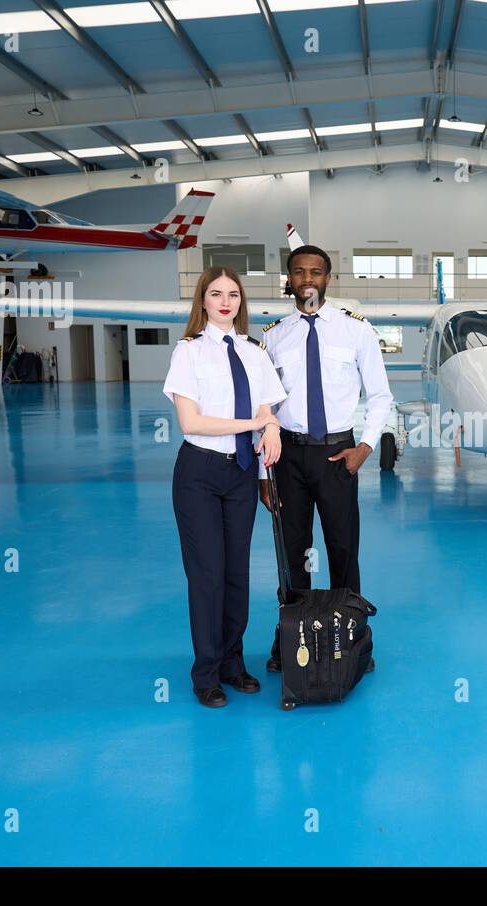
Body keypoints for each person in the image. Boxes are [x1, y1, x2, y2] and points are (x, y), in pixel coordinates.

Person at [258, 244, 392, 673]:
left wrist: (365, 448)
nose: (308, 279)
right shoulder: (274, 336)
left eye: (316, 272)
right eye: (299, 272)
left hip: (339, 454)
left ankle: (352, 641)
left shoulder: (356, 331)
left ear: (328, 279)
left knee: (342, 550)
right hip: (287, 456)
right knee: (292, 553)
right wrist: (266, 468)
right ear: (290, 279)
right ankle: (290, 638)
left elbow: (380, 395)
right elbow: (265, 407)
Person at [163, 266, 285, 708]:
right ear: (203, 301)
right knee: (207, 574)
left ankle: (233, 664)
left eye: (233, 294)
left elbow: (267, 404)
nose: (225, 301)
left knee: (237, 573)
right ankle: (206, 672)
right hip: (199, 471)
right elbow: (190, 421)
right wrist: (257, 423)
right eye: (216, 294)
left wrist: (270, 427)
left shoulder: (254, 351)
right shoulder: (189, 352)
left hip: (241, 471)